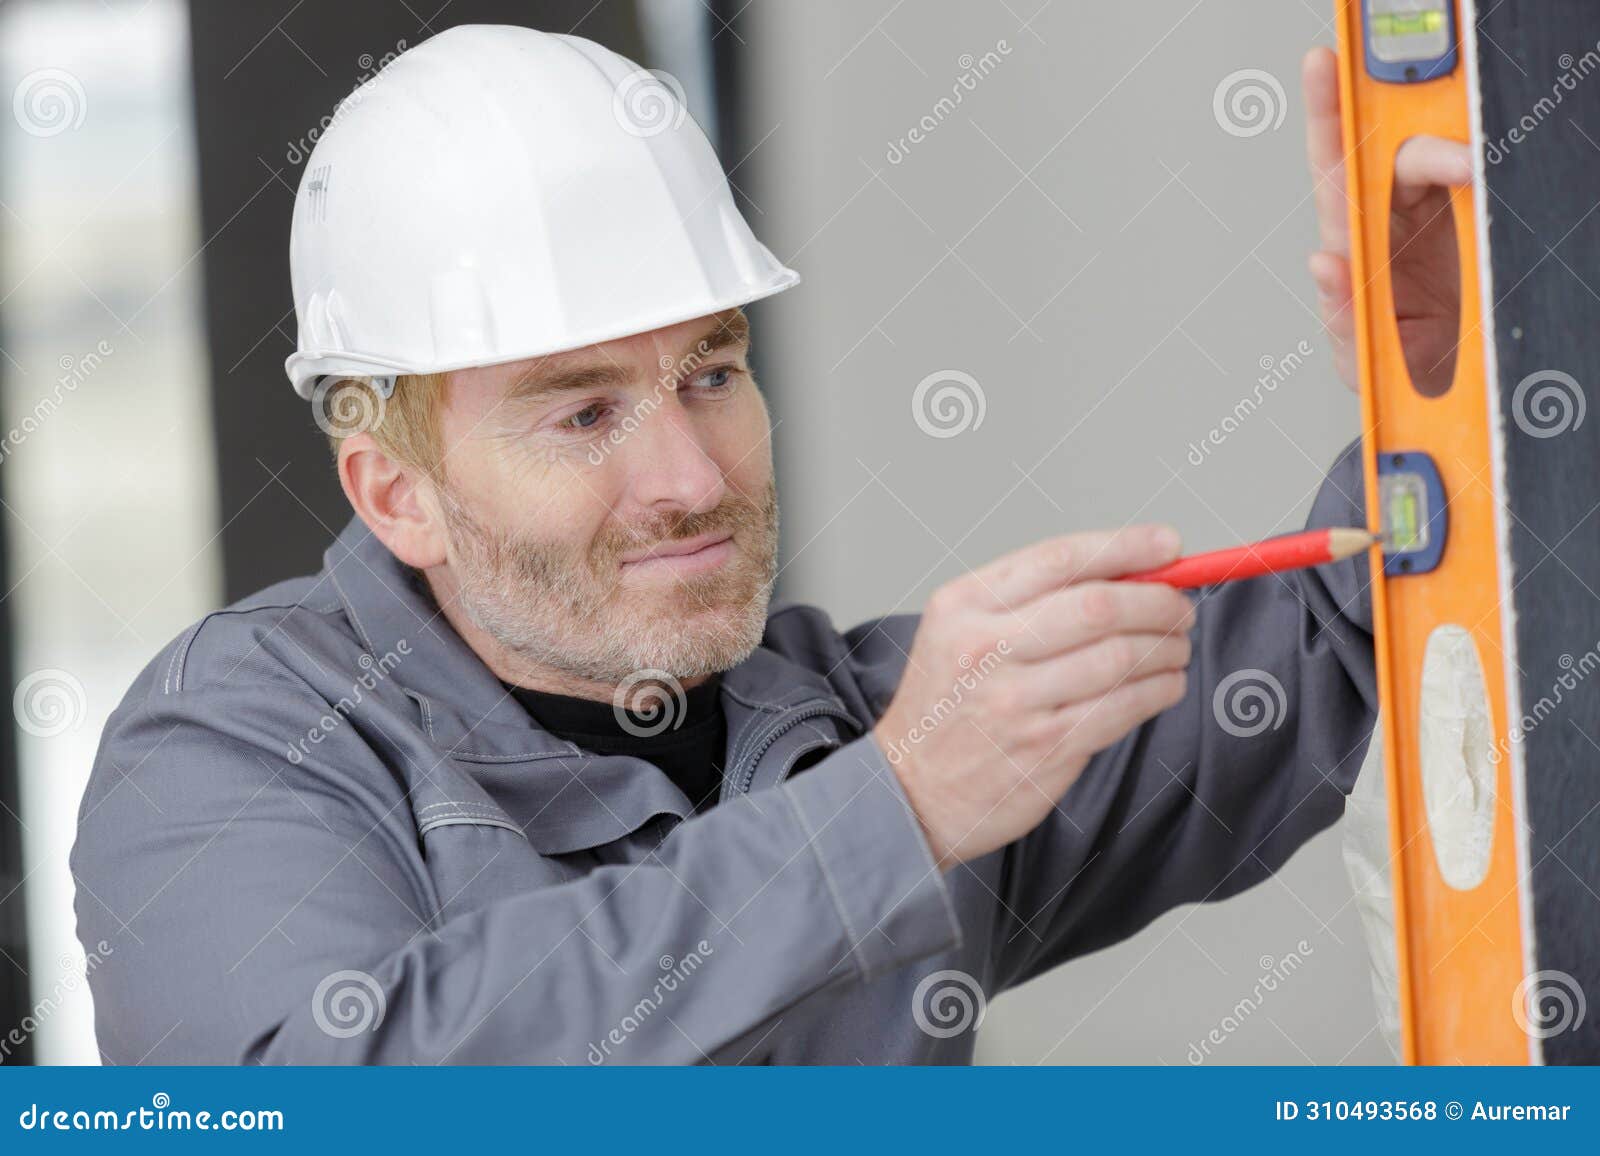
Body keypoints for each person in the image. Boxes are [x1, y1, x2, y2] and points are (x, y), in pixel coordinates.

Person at [72, 28, 1468, 1064]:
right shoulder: (231, 743)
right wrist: (898, 814)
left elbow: (1335, 641)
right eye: (583, 413)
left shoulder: (839, 723)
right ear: (394, 494)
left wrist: (1442, 390)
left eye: (711, 374)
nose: (689, 477)